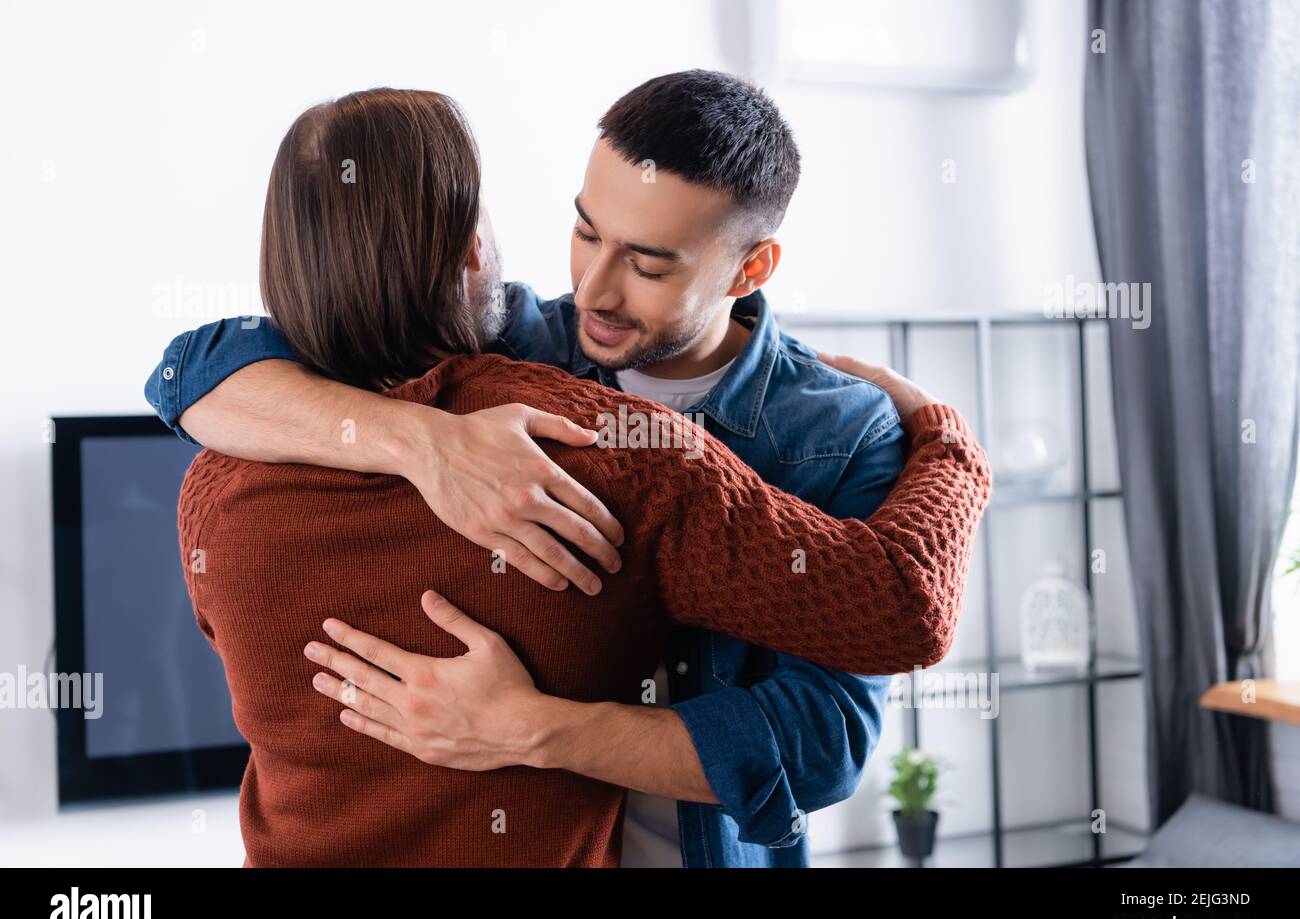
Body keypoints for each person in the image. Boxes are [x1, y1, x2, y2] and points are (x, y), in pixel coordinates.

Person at [166, 84, 990, 866]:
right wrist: (420, 441)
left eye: (648, 263)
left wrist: (534, 727)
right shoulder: (513, 347)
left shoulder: (839, 432)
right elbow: (190, 368)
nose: (592, 287)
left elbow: (825, 735)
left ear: (751, 268)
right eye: (585, 231)